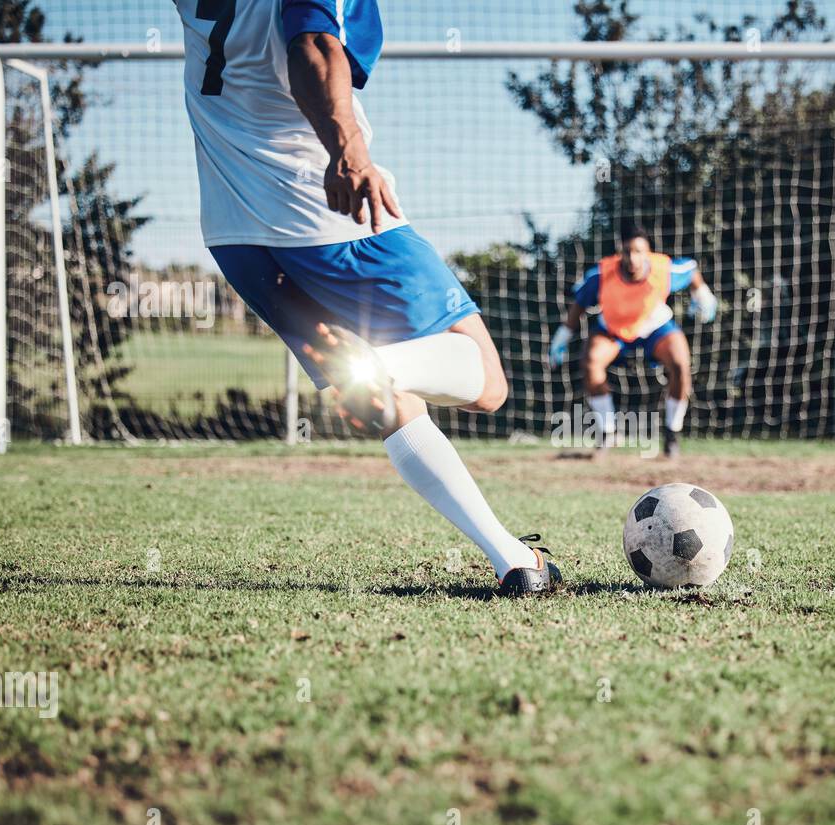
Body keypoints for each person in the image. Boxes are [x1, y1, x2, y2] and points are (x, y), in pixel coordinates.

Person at [174, 0, 559, 595]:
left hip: (233, 232)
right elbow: (312, 46)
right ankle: (373, 365)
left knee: (393, 403)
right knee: (485, 379)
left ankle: (512, 561)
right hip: (325, 214)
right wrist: (347, 150)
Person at [550, 223, 718, 459]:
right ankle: (609, 433)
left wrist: (704, 296)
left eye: (638, 251)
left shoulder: (663, 270)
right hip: (614, 330)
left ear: (647, 252)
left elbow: (691, 269)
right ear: (621, 252)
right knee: (591, 362)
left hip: (655, 327)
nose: (632, 257)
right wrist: (562, 337)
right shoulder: (601, 275)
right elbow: (578, 306)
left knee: (681, 364)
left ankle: (672, 433)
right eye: (627, 251)